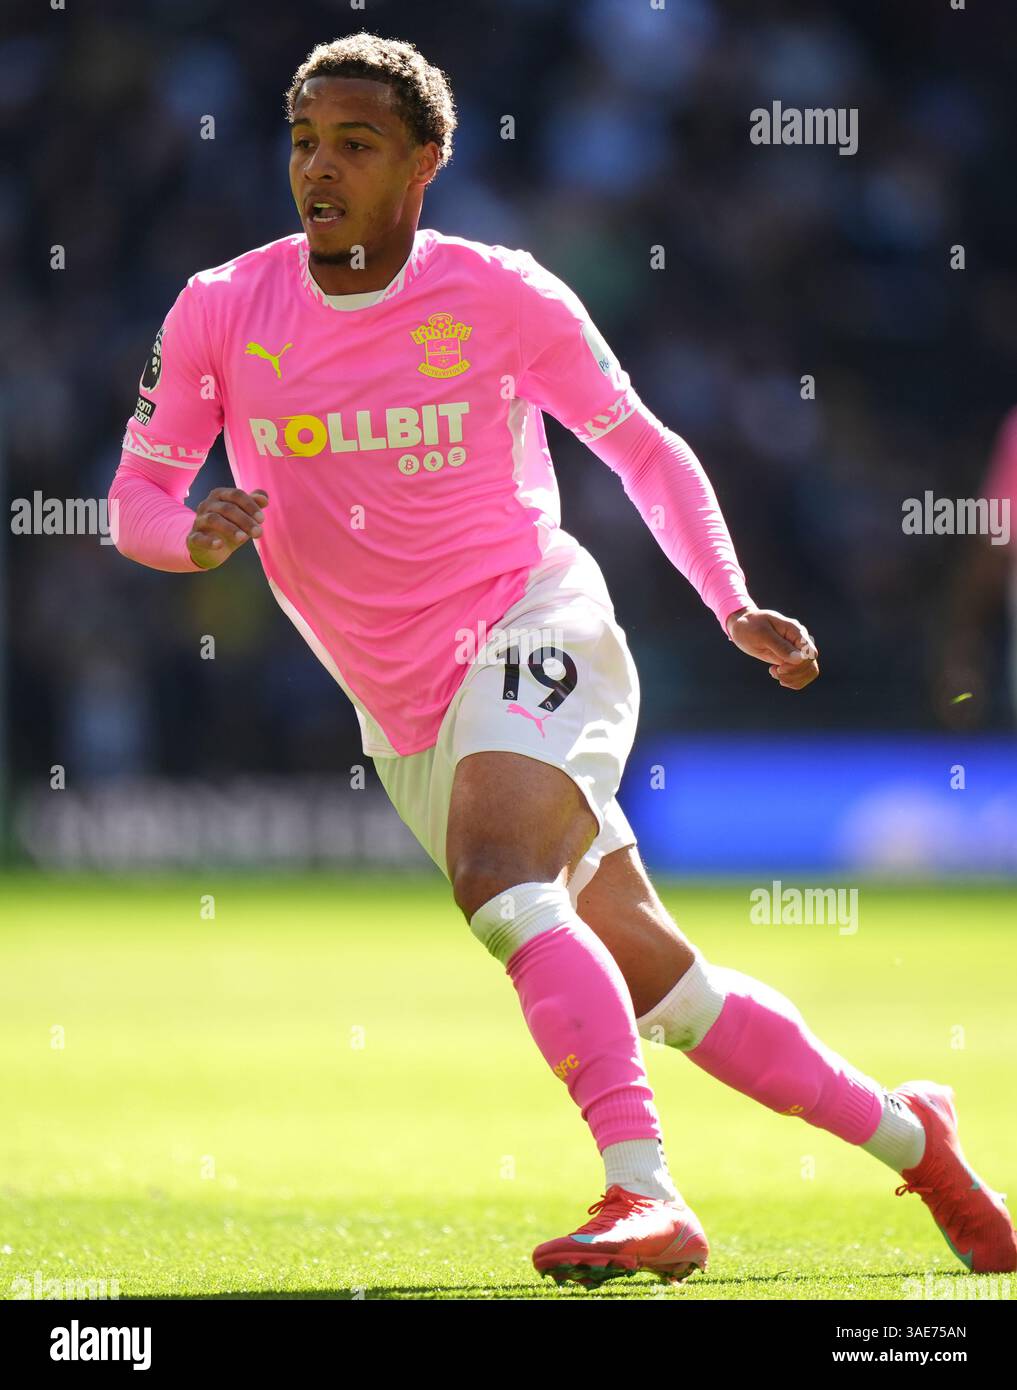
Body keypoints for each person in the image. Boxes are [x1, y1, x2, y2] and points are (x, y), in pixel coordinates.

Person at [109, 32, 1015, 1285]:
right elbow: (137, 494)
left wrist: (730, 599)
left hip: (533, 618)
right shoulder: (221, 308)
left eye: (356, 145)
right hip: (402, 706)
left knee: (498, 874)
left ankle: (642, 1190)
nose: (319, 169)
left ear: (426, 163)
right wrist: (189, 534)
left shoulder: (503, 293)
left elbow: (639, 447)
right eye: (305, 141)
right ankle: (923, 1142)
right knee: (670, 989)